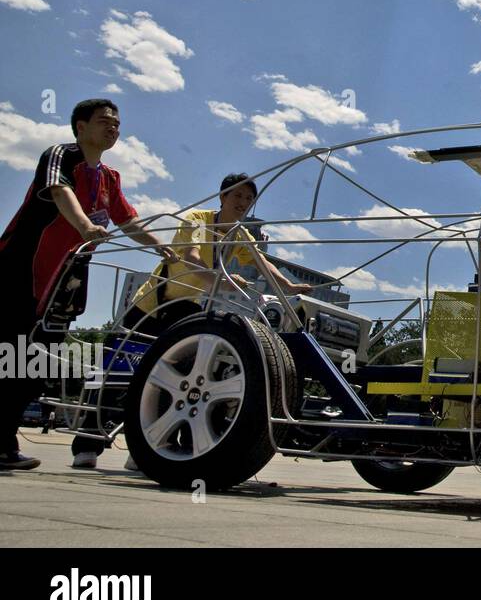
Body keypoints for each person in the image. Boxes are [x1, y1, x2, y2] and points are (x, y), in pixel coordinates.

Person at [71, 172, 315, 468]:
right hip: (154, 306)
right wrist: (220, 279)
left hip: (187, 308)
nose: (243, 203)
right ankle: (87, 443)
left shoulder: (238, 233)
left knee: (175, 378)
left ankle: (146, 448)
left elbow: (261, 262)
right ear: (222, 196)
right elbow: (193, 258)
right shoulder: (199, 220)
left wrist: (287, 287)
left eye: (249, 199)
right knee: (114, 374)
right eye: (237, 196)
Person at [0, 99, 177, 471]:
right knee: (10, 353)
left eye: (117, 123)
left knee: (36, 363)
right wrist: (83, 226)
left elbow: (128, 221)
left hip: (66, 278)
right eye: (104, 121)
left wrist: (163, 247)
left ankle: (3, 442)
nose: (113, 128)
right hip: (23, 268)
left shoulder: (110, 178)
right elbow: (60, 191)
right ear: (80, 126)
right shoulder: (61, 155)